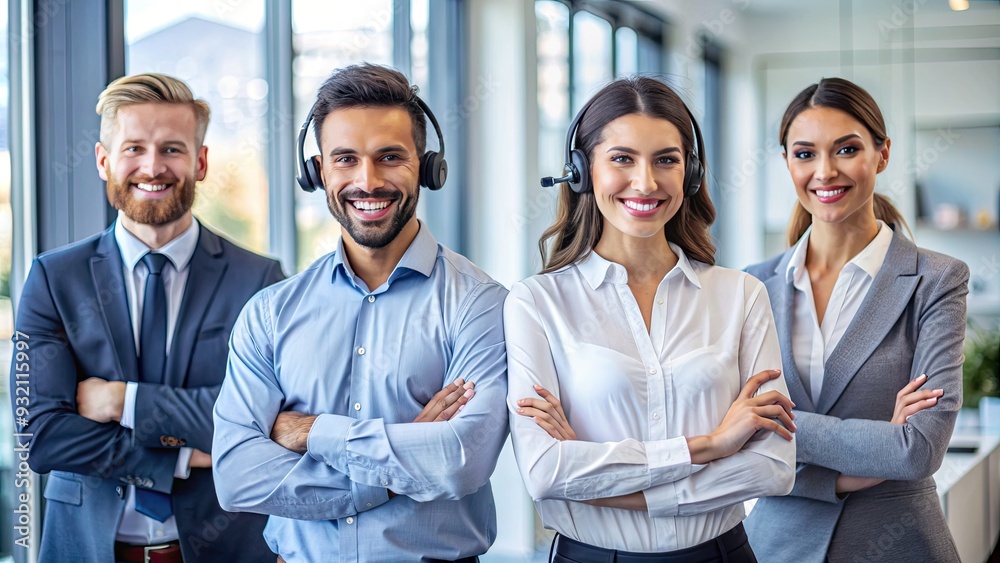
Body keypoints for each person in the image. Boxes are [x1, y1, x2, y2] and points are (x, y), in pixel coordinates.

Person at [212, 63, 509, 563]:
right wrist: (399, 469)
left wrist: (310, 432)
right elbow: (238, 476)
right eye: (345, 159)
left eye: (390, 157)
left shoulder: (481, 305)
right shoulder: (270, 313)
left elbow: (460, 463)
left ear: (428, 166)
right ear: (318, 171)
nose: (367, 181)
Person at [505, 76, 796, 563]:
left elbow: (771, 467)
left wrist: (605, 482)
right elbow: (545, 471)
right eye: (622, 159)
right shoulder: (536, 303)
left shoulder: (741, 295)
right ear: (581, 171)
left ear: (691, 174)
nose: (646, 182)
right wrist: (713, 444)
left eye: (666, 160)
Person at [13, 73, 283, 563]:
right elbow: (42, 435)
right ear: (103, 161)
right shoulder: (55, 278)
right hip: (85, 549)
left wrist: (121, 400)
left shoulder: (260, 282)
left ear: (200, 163)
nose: (152, 167)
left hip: (223, 549)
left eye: (172, 149)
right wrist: (179, 458)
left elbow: (260, 422)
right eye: (133, 148)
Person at [743, 77, 967, 562]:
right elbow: (740, 450)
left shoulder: (936, 279)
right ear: (786, 162)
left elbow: (918, 450)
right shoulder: (751, 286)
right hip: (775, 547)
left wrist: (776, 426)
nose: (824, 171)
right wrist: (874, 448)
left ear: (882, 154)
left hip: (898, 545)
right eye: (804, 154)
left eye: (846, 149)